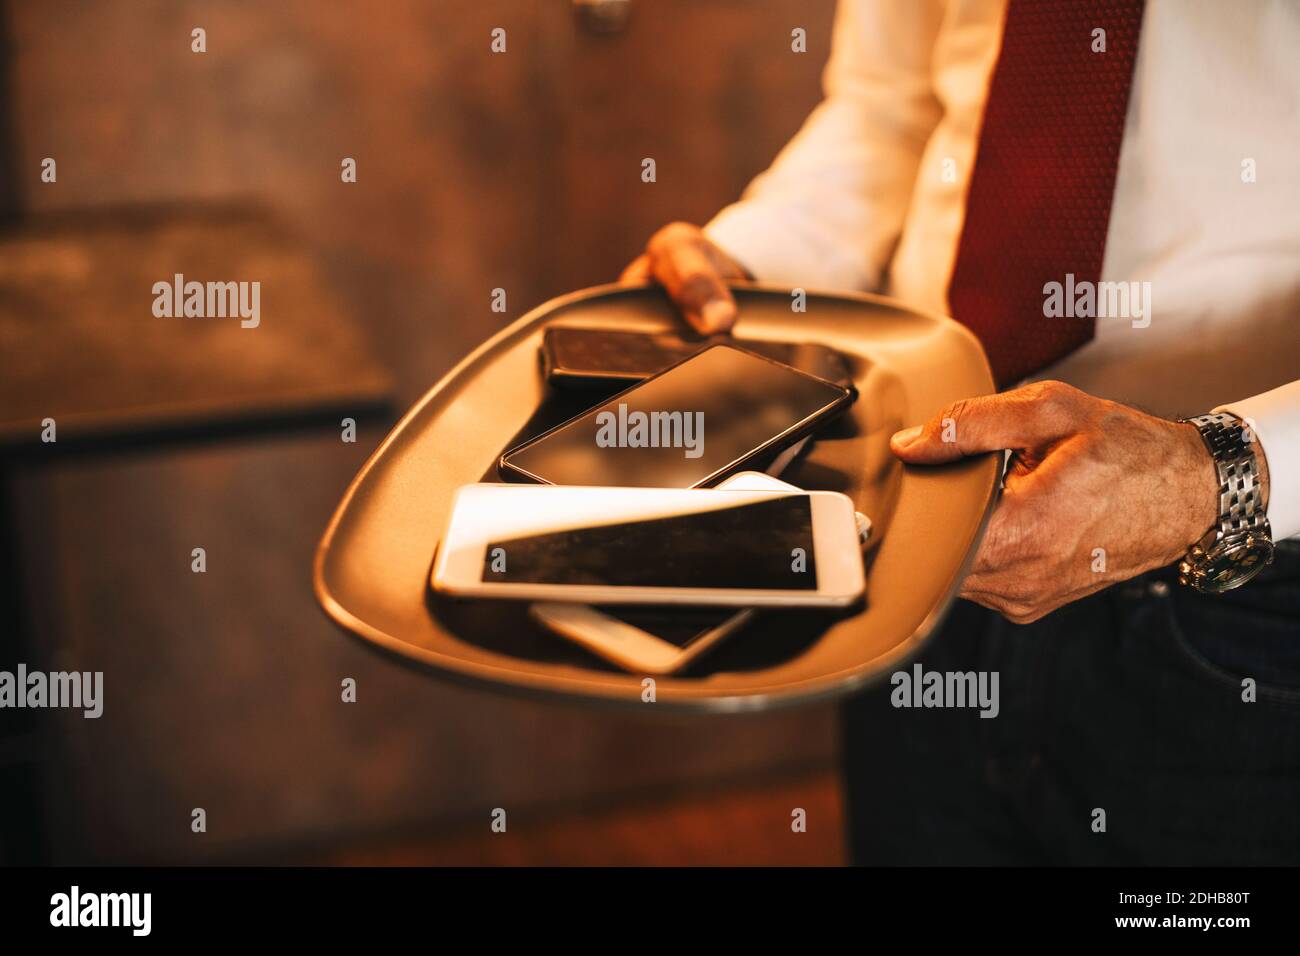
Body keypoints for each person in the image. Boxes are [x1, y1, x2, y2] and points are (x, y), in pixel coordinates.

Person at [623, 0, 1300, 864]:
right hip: (926, 524)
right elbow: (890, 110)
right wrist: (755, 261)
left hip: (1247, 596)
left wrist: (1213, 474)